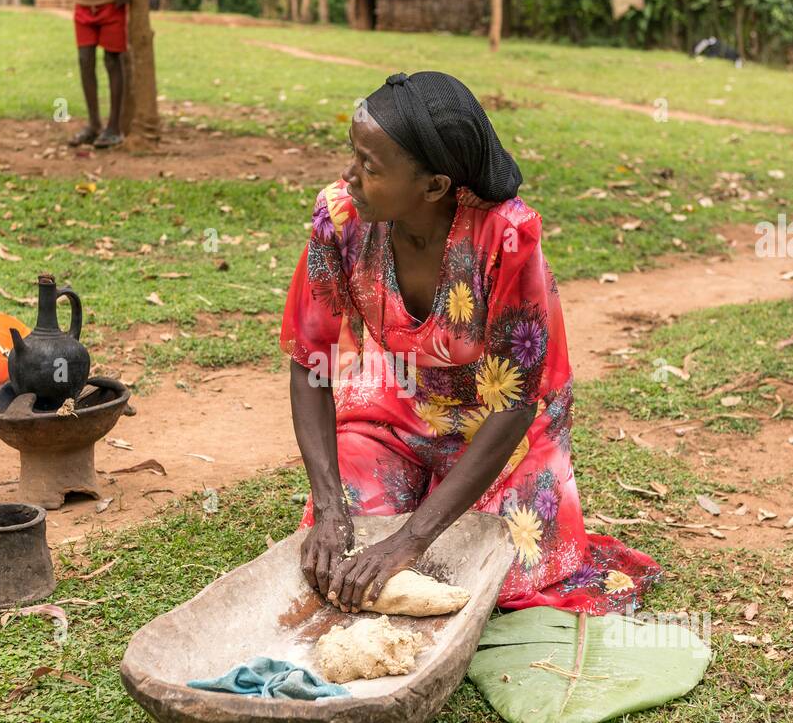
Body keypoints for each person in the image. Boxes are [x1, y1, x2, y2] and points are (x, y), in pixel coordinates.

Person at [283, 71, 664, 615]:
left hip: (504, 433)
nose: (350, 176)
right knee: (341, 551)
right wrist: (327, 506)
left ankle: (429, 511)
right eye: (353, 156)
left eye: (369, 166)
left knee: (491, 578)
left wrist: (411, 539)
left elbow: (514, 408)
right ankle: (407, 501)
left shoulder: (506, 239)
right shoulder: (341, 218)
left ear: (434, 186)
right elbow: (310, 363)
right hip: (398, 409)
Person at [67, 0, 131, 150]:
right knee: (85, 60)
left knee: (112, 61)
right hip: (84, 4)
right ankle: (94, 124)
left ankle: (114, 127)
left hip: (111, 2)